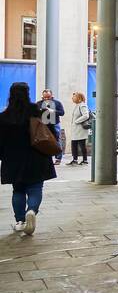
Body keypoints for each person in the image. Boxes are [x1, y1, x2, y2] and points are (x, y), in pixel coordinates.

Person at [0, 82, 56, 235]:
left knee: (18, 190)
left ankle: (20, 221)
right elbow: (52, 133)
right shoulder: (40, 112)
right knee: (35, 188)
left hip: (13, 160)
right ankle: (31, 210)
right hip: (37, 157)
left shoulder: (3, 117)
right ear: (27, 94)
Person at [37, 88, 65, 165]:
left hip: (54, 124)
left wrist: (53, 111)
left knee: (57, 140)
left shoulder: (57, 103)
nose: (46, 99)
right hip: (43, 125)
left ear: (52, 96)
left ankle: (58, 158)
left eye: (48, 97)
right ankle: (45, 157)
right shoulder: (39, 103)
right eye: (44, 97)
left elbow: (62, 113)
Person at [68, 92, 93, 165]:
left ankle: (84, 160)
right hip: (76, 129)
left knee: (81, 144)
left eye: (74, 97)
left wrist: (76, 121)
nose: (72, 98)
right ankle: (75, 160)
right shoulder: (78, 105)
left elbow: (86, 115)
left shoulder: (82, 105)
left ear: (79, 98)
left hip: (80, 129)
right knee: (74, 144)